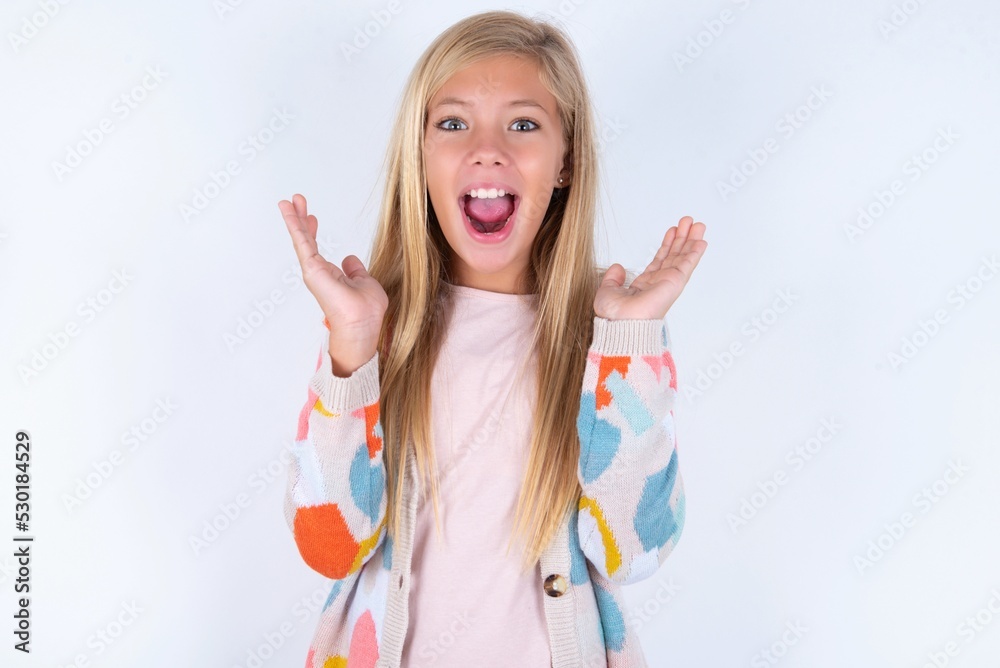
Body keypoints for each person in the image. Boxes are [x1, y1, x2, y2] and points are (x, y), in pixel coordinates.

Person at [277, 9, 707, 668]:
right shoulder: (374, 329)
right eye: (453, 123)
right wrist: (351, 345)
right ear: (419, 157)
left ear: (567, 161)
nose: (487, 148)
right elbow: (327, 547)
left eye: (524, 124)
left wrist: (630, 340)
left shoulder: (609, 338)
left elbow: (636, 551)